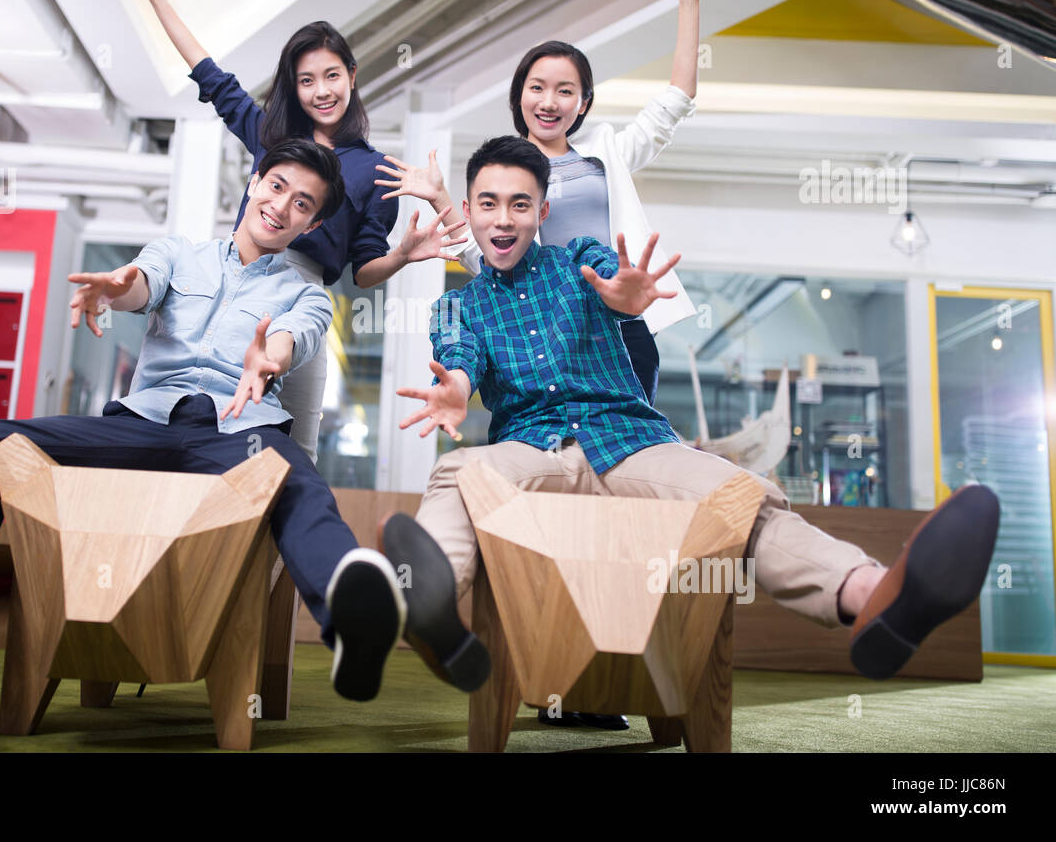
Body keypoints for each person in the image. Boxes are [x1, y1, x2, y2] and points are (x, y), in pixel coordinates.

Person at [0, 138, 488, 706]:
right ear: (254, 184)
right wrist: (121, 289)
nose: (283, 206)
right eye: (276, 187)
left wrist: (265, 360)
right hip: (140, 428)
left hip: (236, 432)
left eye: (302, 204)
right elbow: (140, 283)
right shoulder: (178, 251)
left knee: (293, 476)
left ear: (310, 224)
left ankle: (349, 620)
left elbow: (295, 338)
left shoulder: (301, 291)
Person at [380, 136, 1000, 701]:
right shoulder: (455, 304)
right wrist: (456, 390)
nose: (503, 218)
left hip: (630, 442)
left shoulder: (579, 260)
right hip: (532, 451)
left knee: (744, 494)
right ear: (469, 208)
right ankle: (433, 610)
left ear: (542, 213)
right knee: (459, 472)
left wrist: (625, 298)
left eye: (520, 204)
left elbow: (617, 282)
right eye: (489, 203)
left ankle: (872, 599)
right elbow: (458, 359)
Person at [138, 0, 467, 461]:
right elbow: (210, 74)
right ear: (294, 86)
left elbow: (363, 269)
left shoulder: (377, 170)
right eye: (307, 79)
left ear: (352, 77)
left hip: (303, 299)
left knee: (300, 450)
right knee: (212, 422)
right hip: (238, 278)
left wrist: (403, 256)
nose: (322, 90)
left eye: (332, 76)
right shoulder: (274, 138)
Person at [374, 0, 734, 410]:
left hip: (616, 314)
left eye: (565, 91)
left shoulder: (606, 152)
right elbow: (484, 252)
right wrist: (440, 198)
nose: (549, 102)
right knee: (553, 438)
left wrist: (689, 1)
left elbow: (674, 103)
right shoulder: (504, 173)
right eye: (537, 87)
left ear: (583, 102)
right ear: (519, 94)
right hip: (543, 323)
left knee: (628, 434)